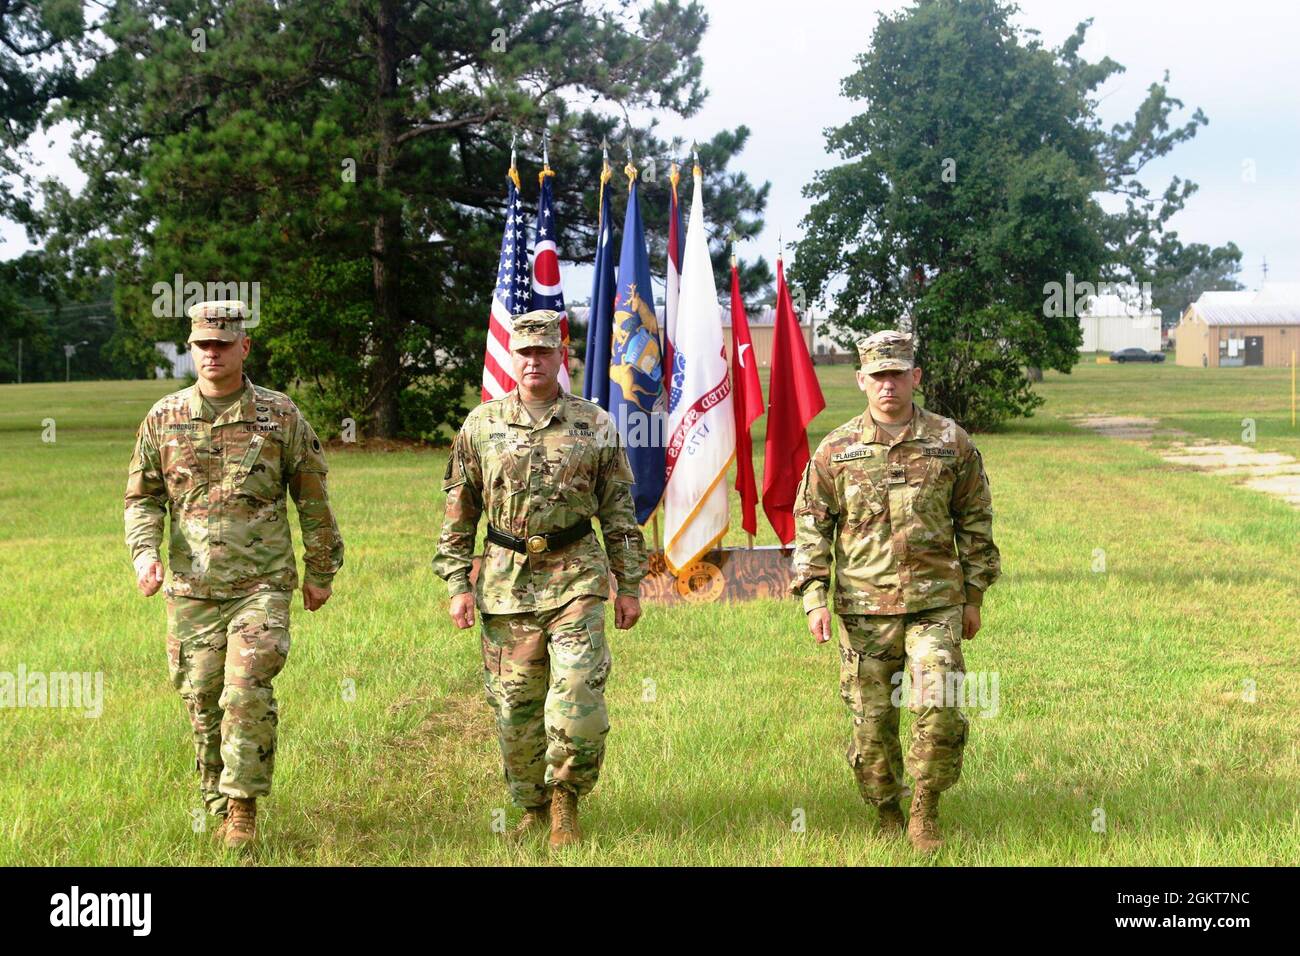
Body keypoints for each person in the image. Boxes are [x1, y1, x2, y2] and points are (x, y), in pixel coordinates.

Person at [124, 300, 344, 850]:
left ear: (244, 347)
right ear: (192, 348)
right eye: (203, 344)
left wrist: (321, 570)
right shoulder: (164, 417)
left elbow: (312, 499)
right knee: (202, 699)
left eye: (223, 344)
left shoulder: (280, 416)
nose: (213, 353)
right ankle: (217, 805)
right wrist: (144, 553)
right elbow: (143, 498)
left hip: (261, 586)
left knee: (244, 691)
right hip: (191, 587)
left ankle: (242, 810)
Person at [433, 309, 647, 850]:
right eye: (524, 352)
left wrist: (630, 584)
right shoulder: (480, 425)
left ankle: (565, 803)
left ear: (561, 356)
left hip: (577, 576)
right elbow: (459, 511)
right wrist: (457, 583)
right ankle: (530, 802)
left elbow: (620, 512)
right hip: (505, 583)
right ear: (513, 357)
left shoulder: (594, 424)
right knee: (514, 706)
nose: (533, 361)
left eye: (543, 352)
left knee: (576, 693)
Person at [790, 330, 1000, 853]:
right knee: (872, 721)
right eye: (878, 375)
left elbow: (975, 520)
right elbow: (812, 526)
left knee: (941, 702)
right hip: (864, 610)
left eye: (897, 373)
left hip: (935, 604)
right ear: (861, 379)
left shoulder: (951, 442)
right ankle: (886, 806)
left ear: (915, 377)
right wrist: (814, 596)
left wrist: (973, 596)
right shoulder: (836, 449)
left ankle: (926, 807)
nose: (888, 385)